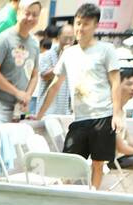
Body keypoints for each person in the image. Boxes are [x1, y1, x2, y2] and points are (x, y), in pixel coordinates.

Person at [36, 4, 121, 190]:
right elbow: (55, 84)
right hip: (80, 118)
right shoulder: (68, 53)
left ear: (96, 25)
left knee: (98, 164)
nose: (80, 28)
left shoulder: (106, 50)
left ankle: (94, 197)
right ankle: (63, 197)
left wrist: (117, 113)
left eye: (86, 24)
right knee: (70, 164)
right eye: (78, 23)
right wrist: (39, 114)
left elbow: (116, 82)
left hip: (103, 115)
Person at [0, 0, 40, 127]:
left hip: (17, 112)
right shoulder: (4, 38)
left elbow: (34, 75)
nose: (30, 18)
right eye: (27, 13)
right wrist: (17, 92)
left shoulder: (34, 44)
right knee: (1, 143)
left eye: (35, 15)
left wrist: (27, 95)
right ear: (18, 13)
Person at [33, 18, 73, 119]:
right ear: (59, 37)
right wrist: (62, 59)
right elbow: (45, 76)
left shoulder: (75, 56)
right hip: (46, 112)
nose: (68, 42)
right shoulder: (47, 55)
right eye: (65, 38)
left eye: (71, 39)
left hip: (65, 112)